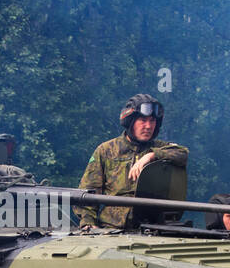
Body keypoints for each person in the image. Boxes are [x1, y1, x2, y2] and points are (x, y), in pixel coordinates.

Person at [75, 95, 188, 230]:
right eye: (142, 120)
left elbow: (183, 153)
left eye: (152, 121)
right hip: (111, 228)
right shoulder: (106, 150)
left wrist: (152, 156)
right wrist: (88, 223)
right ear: (130, 121)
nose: (148, 126)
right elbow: (88, 193)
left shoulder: (161, 148)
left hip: (153, 228)